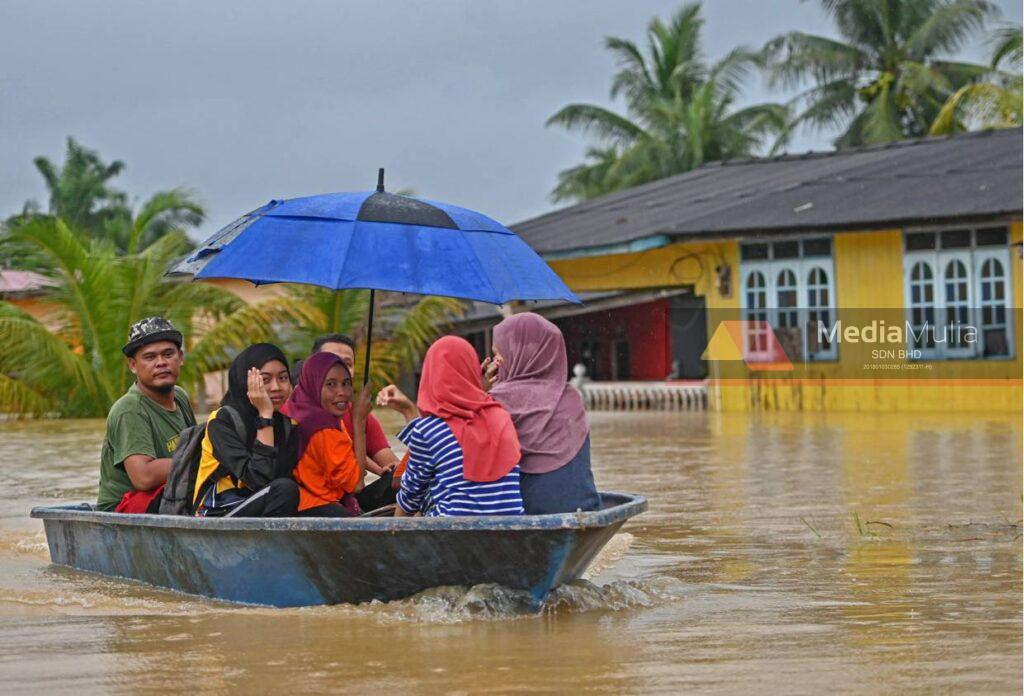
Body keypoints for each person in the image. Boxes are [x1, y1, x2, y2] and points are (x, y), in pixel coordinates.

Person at [376, 335, 524, 517]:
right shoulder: (502, 418)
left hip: (450, 536)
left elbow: (409, 497)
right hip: (510, 532)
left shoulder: (429, 430)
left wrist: (394, 538)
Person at [490, 313, 600, 515]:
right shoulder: (571, 397)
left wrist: (476, 392)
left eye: (498, 355)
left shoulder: (493, 400)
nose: (495, 364)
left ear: (518, 354)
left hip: (524, 511)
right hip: (584, 507)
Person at [98, 317, 196, 513]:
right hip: (125, 508)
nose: (161, 363)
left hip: (169, 493)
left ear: (181, 357)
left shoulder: (180, 396)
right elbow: (143, 477)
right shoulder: (129, 409)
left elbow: (193, 445)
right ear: (133, 365)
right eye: (150, 357)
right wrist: (199, 461)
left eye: (168, 354)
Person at [192, 344, 300, 517]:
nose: (276, 387)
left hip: (262, 504)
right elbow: (258, 479)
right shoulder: (222, 421)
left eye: (283, 378)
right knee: (285, 490)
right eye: (265, 380)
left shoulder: (288, 426)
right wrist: (265, 416)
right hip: (219, 511)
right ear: (245, 382)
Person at [285, 351, 395, 516]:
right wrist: (359, 422)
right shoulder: (323, 427)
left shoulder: (296, 408)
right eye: (330, 384)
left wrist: (379, 470)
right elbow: (356, 485)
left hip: (305, 501)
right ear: (313, 384)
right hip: (320, 506)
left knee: (395, 480)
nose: (341, 392)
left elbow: (340, 456)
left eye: (346, 383)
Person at [307, 334, 403, 478]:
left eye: (347, 364)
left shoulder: (360, 414)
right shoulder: (297, 412)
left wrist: (409, 412)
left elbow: (397, 471)